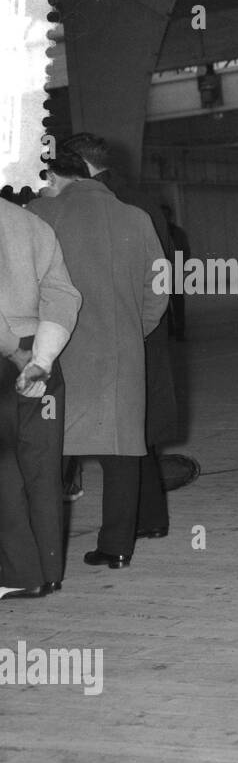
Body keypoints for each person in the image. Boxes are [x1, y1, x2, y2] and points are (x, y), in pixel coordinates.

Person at [27, 148, 168, 569]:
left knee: (48, 455)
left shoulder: (39, 215)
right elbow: (159, 287)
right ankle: (117, 547)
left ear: (54, 176)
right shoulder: (134, 217)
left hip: (59, 352)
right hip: (123, 353)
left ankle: (42, 552)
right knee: (122, 452)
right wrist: (131, 330)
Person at [0, 198, 80, 599]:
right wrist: (42, 358)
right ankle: (47, 570)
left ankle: (17, 573)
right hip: (41, 352)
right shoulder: (30, 223)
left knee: (4, 471)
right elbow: (64, 295)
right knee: (42, 467)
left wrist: (13, 350)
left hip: (8, 352)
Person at [159, 203, 188, 341]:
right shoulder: (156, 231)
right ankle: (170, 328)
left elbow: (185, 250)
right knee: (164, 304)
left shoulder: (178, 233)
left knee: (177, 302)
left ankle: (179, 330)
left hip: (175, 270)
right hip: (160, 272)